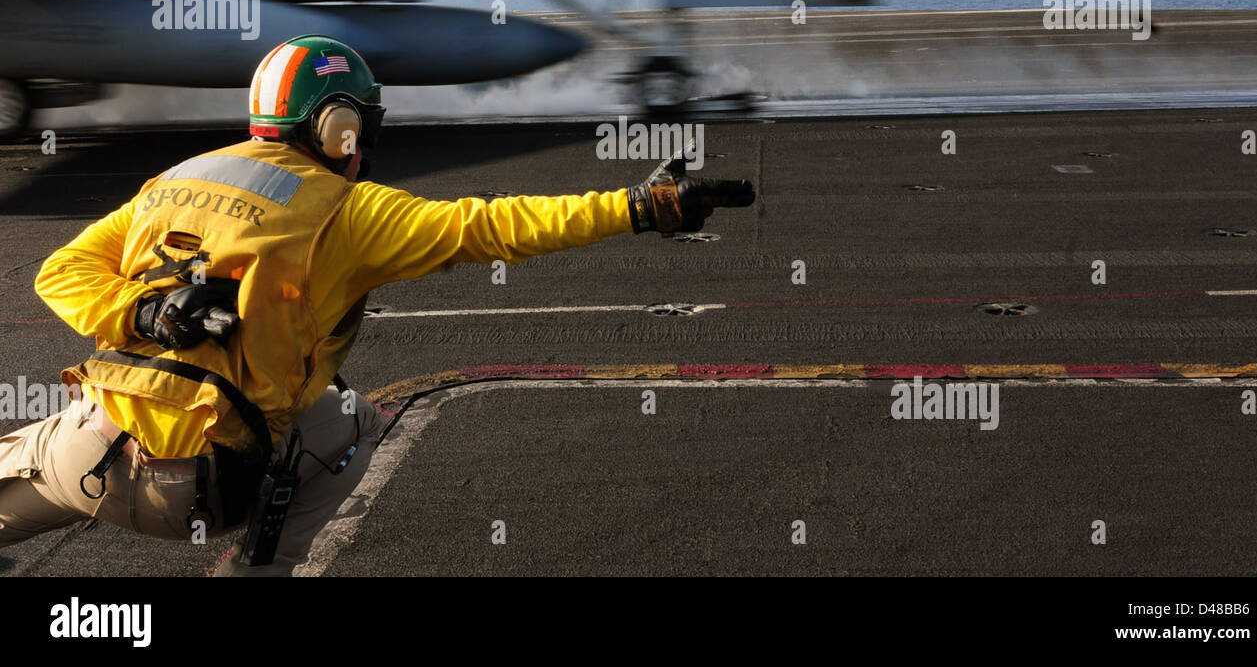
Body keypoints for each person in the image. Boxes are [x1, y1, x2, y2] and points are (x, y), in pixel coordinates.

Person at [0, 35, 754, 576]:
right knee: (345, 419)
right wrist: (639, 205)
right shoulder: (351, 211)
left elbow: (60, 273)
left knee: (34, 448)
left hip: (92, 459)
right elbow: (492, 226)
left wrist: (144, 313)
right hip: (204, 489)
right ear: (340, 129)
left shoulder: (176, 177)